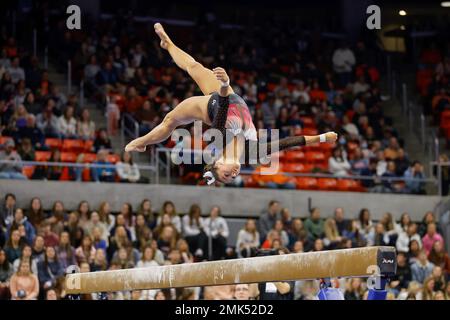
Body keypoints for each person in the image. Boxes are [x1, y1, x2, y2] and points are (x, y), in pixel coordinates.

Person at [125, 23, 338, 185]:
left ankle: (141, 141)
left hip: (213, 105)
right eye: (231, 177)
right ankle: (168, 44)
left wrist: (225, 83)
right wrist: (322, 137)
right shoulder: (252, 152)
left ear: (218, 163)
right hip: (234, 98)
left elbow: (223, 106)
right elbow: (287, 143)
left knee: (170, 120)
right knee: (194, 66)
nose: (233, 175)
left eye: (226, 175)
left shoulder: (219, 138)